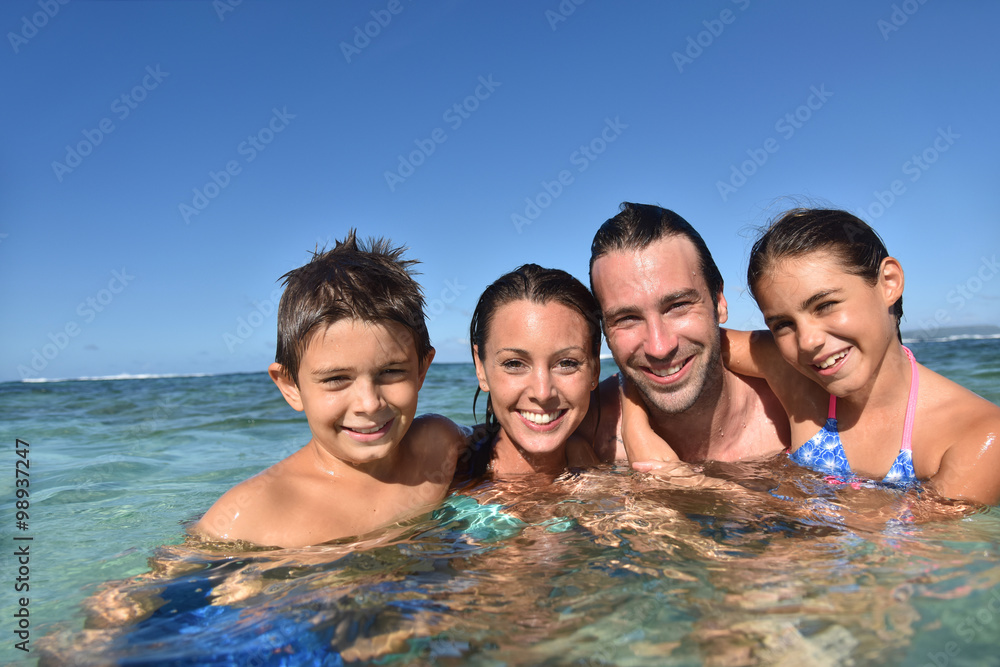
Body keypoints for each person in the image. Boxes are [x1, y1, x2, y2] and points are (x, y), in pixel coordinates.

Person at [193, 231, 468, 548]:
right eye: (336, 379)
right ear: (291, 386)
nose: (368, 403)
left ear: (421, 369)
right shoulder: (250, 515)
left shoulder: (439, 445)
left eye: (391, 372)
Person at [723, 208, 1000, 504]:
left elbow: (930, 546)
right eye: (783, 324)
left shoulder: (977, 436)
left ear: (889, 282)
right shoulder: (790, 371)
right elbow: (686, 345)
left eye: (825, 305)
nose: (808, 341)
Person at [583, 202, 790, 466]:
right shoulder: (586, 433)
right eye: (627, 319)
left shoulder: (799, 397)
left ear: (719, 302)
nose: (659, 347)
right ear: (605, 330)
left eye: (678, 306)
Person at [463, 264, 602, 477]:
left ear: (595, 368)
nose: (542, 393)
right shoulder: (440, 472)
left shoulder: (608, 475)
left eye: (566, 363)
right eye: (514, 364)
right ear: (480, 367)